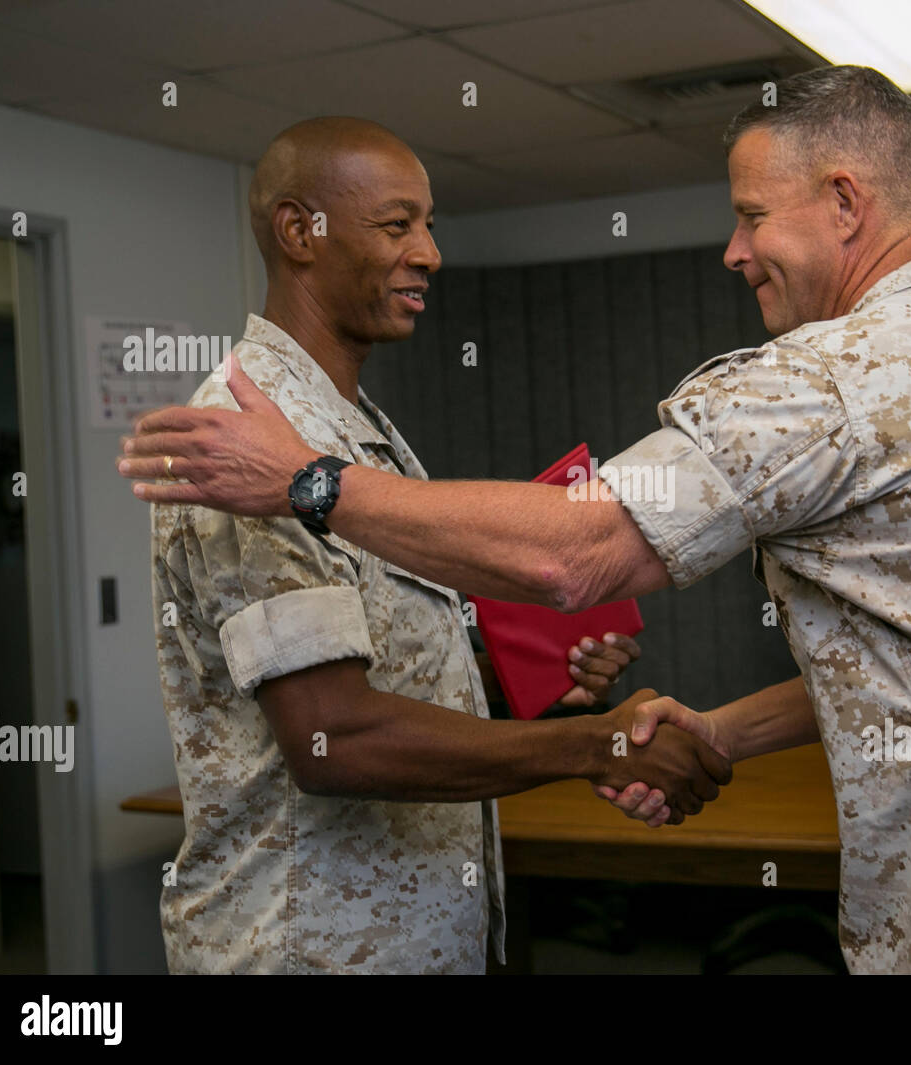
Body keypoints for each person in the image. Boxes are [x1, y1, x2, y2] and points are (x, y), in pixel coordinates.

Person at [119, 68, 911, 974]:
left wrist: (312, 484)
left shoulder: (839, 377)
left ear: (844, 204)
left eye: (750, 217)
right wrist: (705, 734)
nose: (734, 253)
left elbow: (576, 552)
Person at [139, 116, 731, 974]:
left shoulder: (350, 434)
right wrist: (591, 743)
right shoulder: (248, 442)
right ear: (300, 230)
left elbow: (388, 675)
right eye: (397, 225)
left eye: (430, 225)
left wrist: (527, 682)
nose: (430, 254)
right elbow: (331, 738)